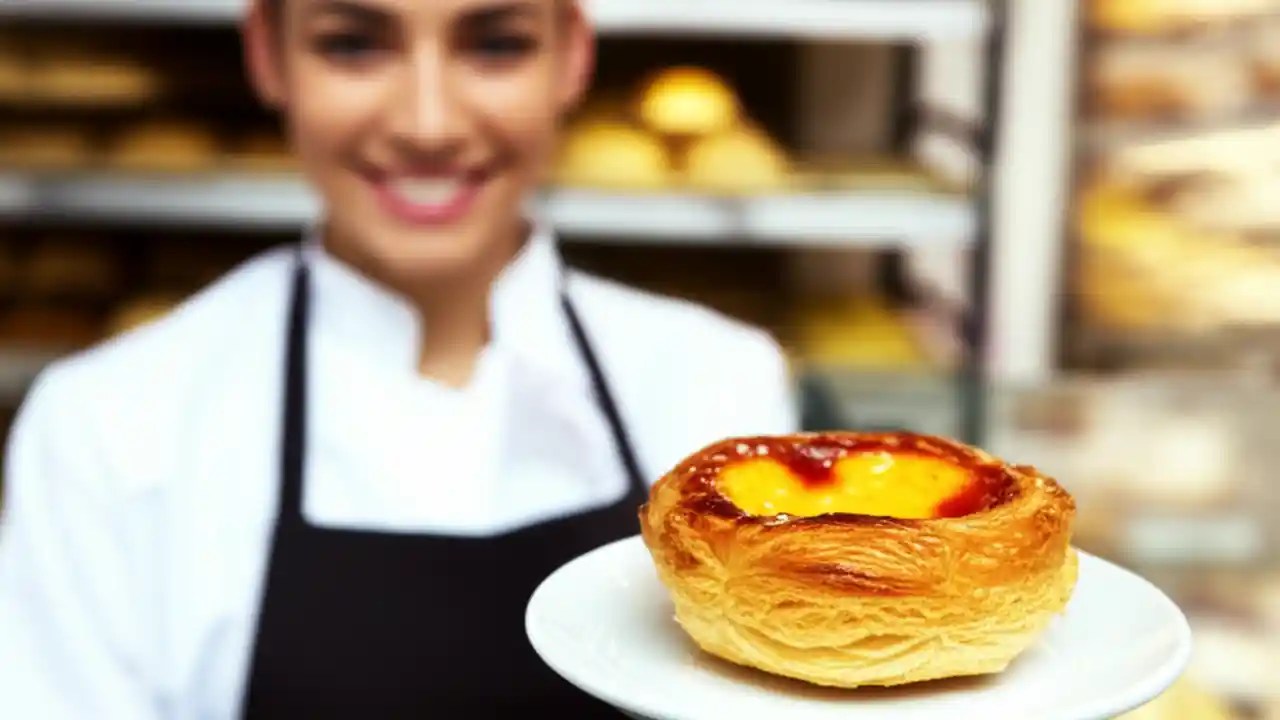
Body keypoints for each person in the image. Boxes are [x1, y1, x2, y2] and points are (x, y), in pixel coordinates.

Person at [0, 0, 797, 717]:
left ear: (572, 56)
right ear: (270, 56)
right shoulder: (107, 426)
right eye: (352, 44)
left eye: (495, 43)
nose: (428, 123)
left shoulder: (719, 386)